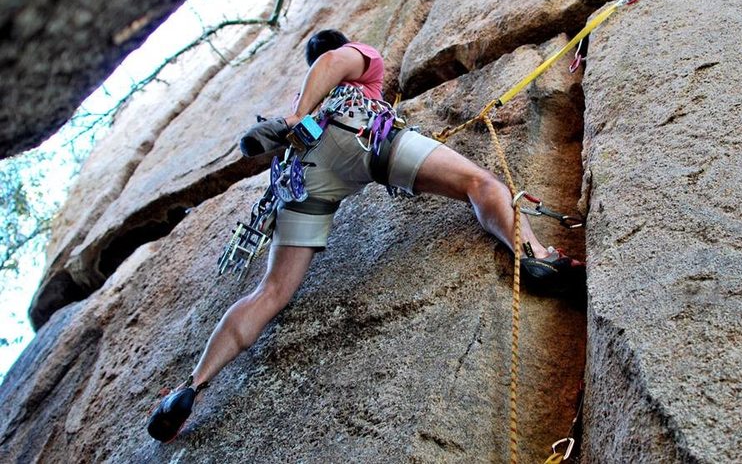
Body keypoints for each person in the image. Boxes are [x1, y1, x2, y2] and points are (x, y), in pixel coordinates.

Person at [146, 29, 583, 442]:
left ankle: (190, 388)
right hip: (362, 136)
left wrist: (300, 119)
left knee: (272, 291)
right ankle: (535, 252)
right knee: (480, 185)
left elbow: (320, 74)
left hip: (303, 175)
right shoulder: (360, 60)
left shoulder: (308, 112)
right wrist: (298, 114)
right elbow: (334, 59)